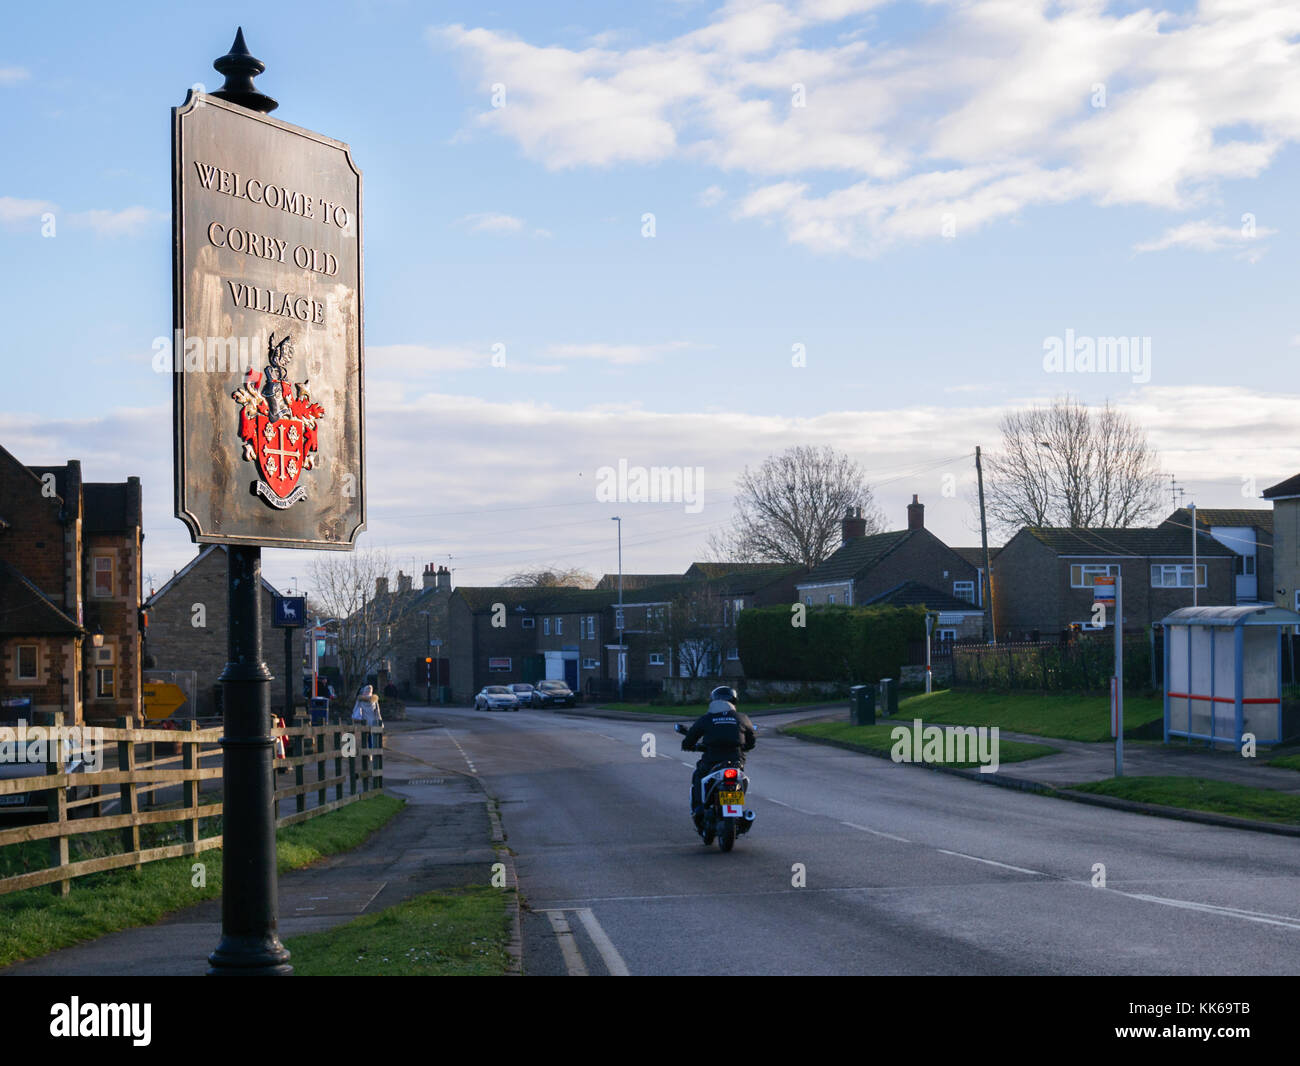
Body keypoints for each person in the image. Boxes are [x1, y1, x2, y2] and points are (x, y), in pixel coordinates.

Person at [681, 686, 755, 832]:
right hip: (735, 762)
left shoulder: (707, 719)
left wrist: (690, 746)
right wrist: (743, 746)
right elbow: (751, 742)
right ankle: (739, 811)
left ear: (713, 700)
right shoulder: (742, 718)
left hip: (711, 762)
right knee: (740, 780)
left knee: (698, 776)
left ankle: (699, 808)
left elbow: (689, 740)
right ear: (734, 700)